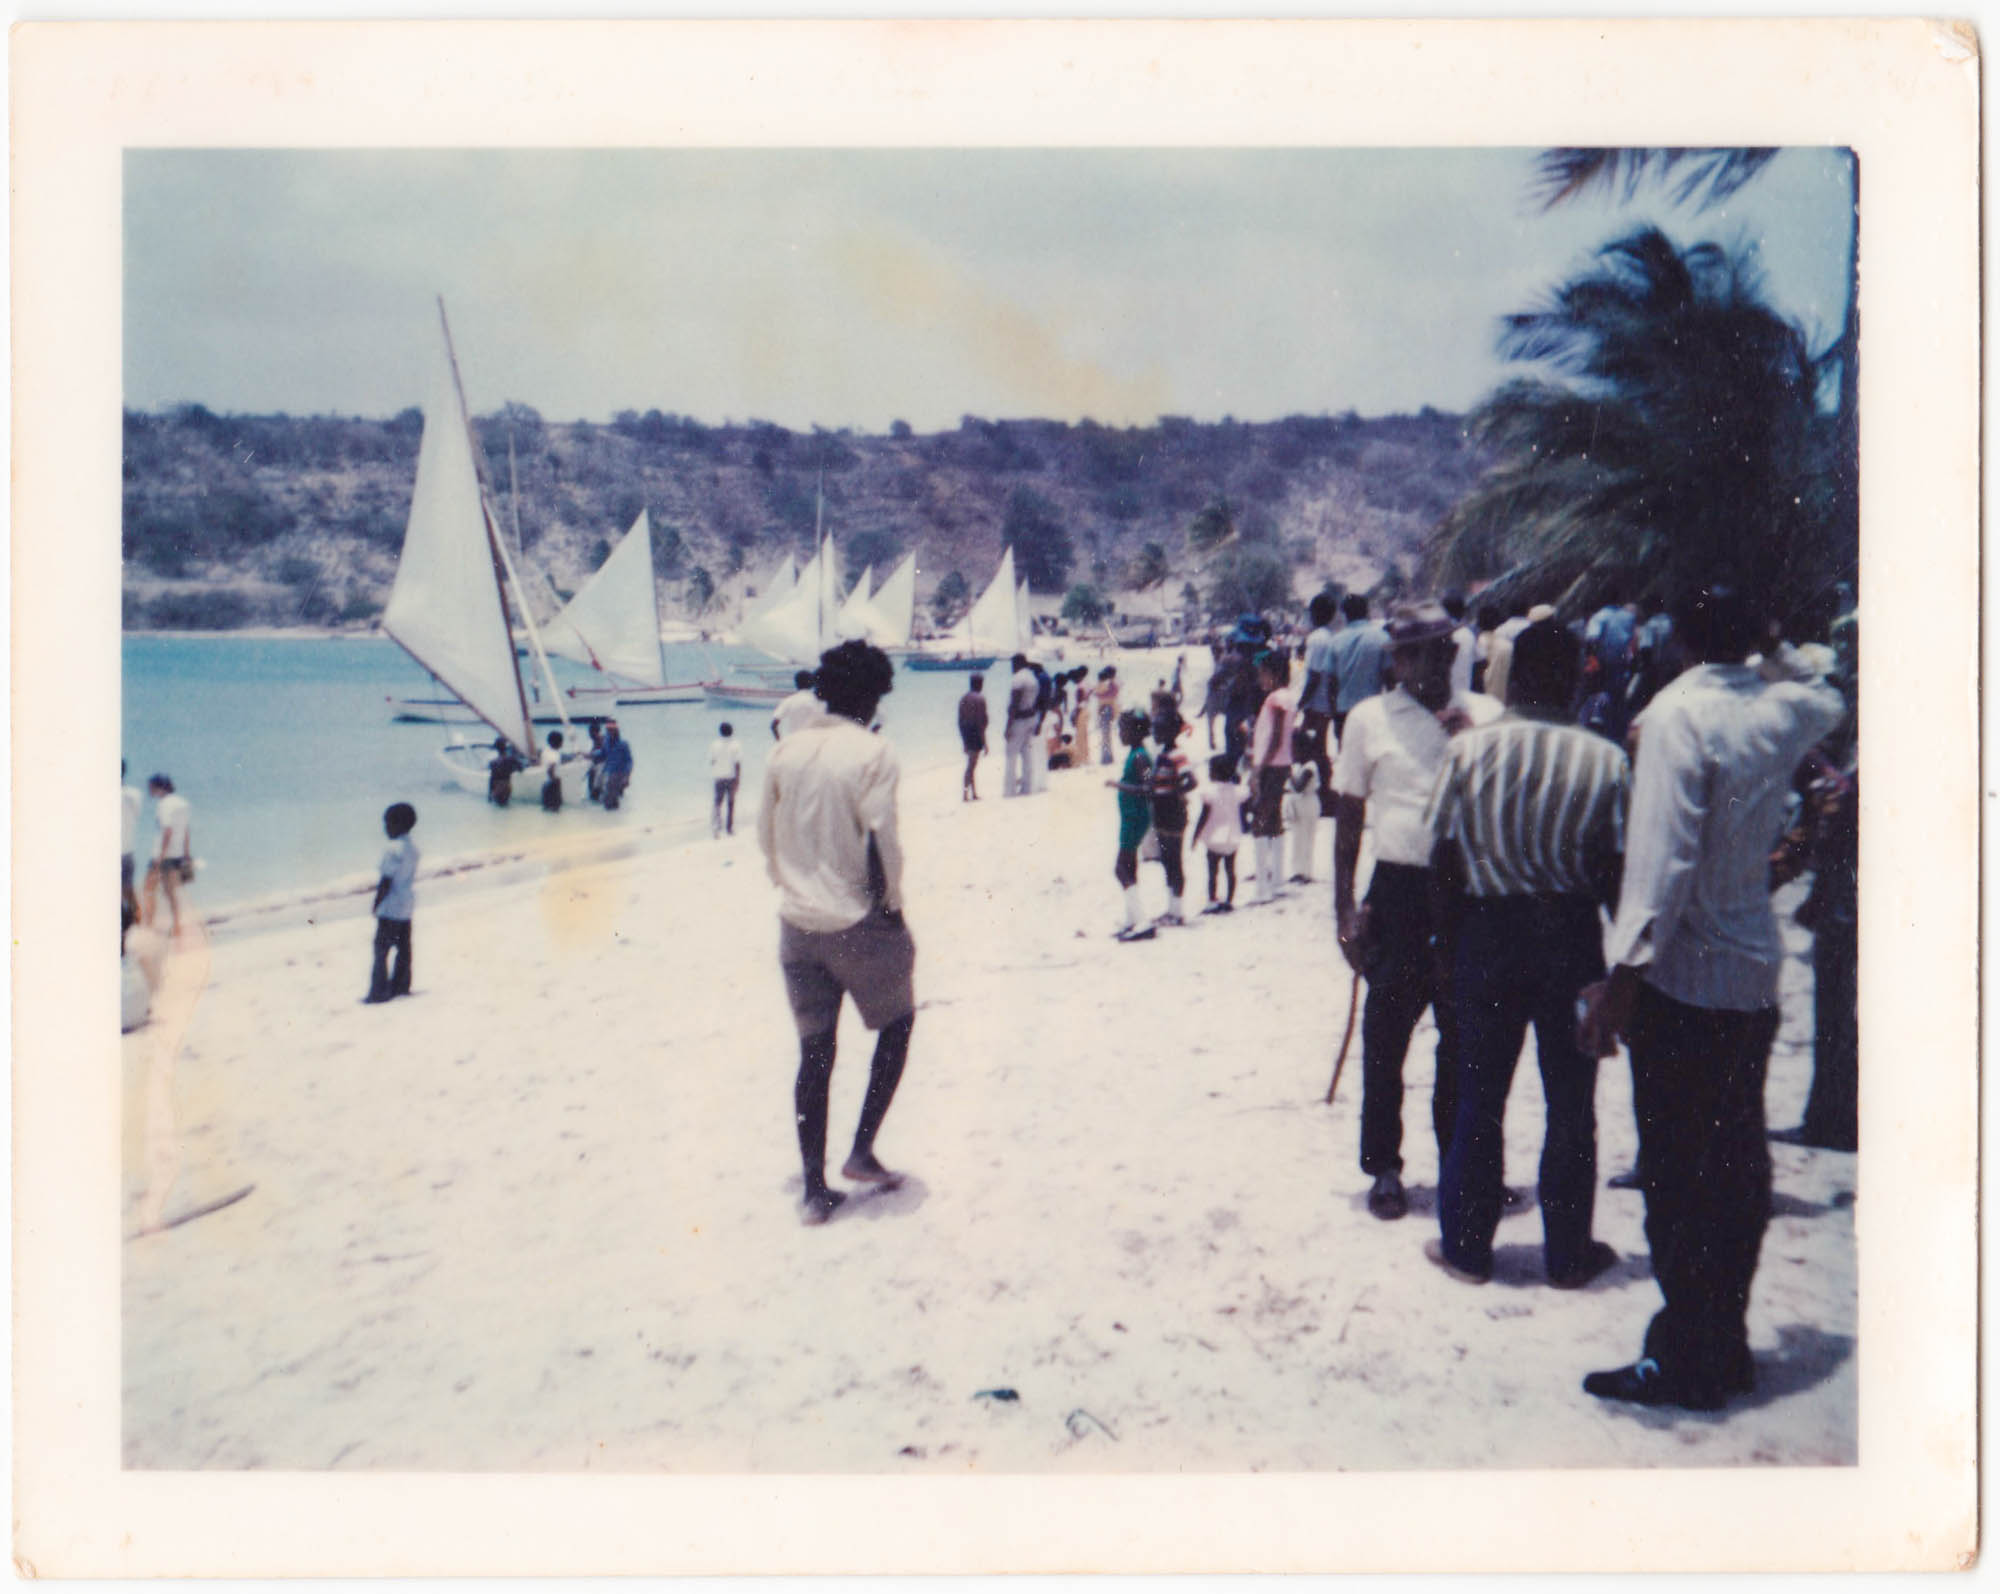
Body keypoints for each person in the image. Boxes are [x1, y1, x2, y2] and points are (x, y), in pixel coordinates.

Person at [1577, 585, 1846, 1411]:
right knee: (1734, 1172)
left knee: (1677, 1177)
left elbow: (1660, 862)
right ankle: (1720, 1342)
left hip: (1682, 978)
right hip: (1752, 969)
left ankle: (1687, 1354)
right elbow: (1827, 691)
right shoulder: (1778, 710)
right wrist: (1774, 647)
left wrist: (1619, 981)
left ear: (1678, 639)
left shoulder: (1673, 718)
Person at [1422, 620, 1629, 1289]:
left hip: (1488, 932)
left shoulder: (1467, 753)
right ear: (1574, 676)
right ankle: (1568, 1256)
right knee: (1571, 1101)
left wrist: (1446, 949)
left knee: (1480, 1094)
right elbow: (1612, 870)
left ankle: (1468, 1249)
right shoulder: (1605, 760)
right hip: (1569, 934)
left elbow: (1445, 861)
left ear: (1511, 677)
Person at [1332, 603, 1502, 1221]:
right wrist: (1345, 908)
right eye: (1420, 651)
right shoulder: (1368, 719)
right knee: (1386, 1041)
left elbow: (1504, 801)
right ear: (1397, 660)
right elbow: (1350, 816)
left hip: (1469, 894)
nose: (1436, 660)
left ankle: (1461, 1168)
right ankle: (1385, 1168)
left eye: (1444, 648)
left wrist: (1467, 744)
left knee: (1464, 1040)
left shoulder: (1486, 716)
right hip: (1398, 894)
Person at [758, 639, 917, 1228]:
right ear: (875, 695)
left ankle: (813, 1192)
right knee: (897, 1026)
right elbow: (882, 842)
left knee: (814, 1056)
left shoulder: (785, 752)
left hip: (796, 926)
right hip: (857, 922)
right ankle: (861, 1149)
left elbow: (765, 840)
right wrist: (890, 908)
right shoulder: (876, 752)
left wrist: (794, 887)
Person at [1246, 649, 1299, 902]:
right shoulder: (1288, 697)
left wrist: (1259, 767)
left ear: (1275, 675)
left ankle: (1262, 889)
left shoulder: (1275, 699)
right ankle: (1277, 881)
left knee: (1260, 820)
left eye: (1263, 675)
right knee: (1275, 819)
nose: (1260, 680)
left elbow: (1276, 737)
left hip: (1271, 765)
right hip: (1282, 763)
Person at [1105, 709, 1155, 942]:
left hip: (1135, 817)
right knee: (1129, 866)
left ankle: (1142, 920)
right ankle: (1132, 918)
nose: (1119, 733)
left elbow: (1148, 787)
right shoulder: (1135, 754)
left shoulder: (1139, 757)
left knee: (1121, 868)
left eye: (1122, 729)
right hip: (1131, 816)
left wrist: (1120, 786)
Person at [363, 802, 419, 1005]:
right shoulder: (413, 849)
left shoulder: (392, 849)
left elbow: (386, 880)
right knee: (404, 947)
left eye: (387, 823)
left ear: (396, 824)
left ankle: (378, 991)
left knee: (381, 949)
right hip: (407, 904)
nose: (385, 828)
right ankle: (401, 985)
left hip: (391, 906)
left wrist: (376, 902)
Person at [1146, 710, 1196, 926]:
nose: (1154, 733)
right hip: (1163, 811)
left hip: (1172, 811)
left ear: (1170, 732)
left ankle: (1177, 911)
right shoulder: (1163, 753)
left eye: (1158, 729)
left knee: (1174, 860)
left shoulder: (1177, 754)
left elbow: (1191, 781)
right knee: (1167, 860)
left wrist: (1175, 793)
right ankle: (1172, 908)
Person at [1296, 593, 1341, 811]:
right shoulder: (1330, 637)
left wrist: (1300, 704)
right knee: (1319, 748)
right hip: (1326, 703)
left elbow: (1314, 676)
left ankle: (1324, 794)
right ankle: (1325, 792)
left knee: (1312, 748)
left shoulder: (1315, 639)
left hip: (1315, 704)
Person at [1327, 594, 1390, 740]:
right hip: (1374, 710)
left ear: (1344, 614)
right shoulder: (1382, 637)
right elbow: (1390, 678)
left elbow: (1331, 683)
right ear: (1366, 611)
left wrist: (1333, 714)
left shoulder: (1335, 641)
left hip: (1344, 712)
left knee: (1347, 757)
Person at [141, 774, 194, 937]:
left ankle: (149, 927)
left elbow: (167, 831)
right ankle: (177, 926)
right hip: (178, 854)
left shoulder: (164, 805)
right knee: (171, 893)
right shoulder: (183, 803)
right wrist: (186, 854)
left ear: (159, 787)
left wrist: (160, 857)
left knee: (148, 890)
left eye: (150, 787)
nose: (149, 790)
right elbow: (185, 830)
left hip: (163, 856)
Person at [1192, 753, 1245, 913]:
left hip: (1214, 837)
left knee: (1212, 870)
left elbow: (1204, 816)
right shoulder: (1237, 791)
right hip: (1232, 835)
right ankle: (1229, 900)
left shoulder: (1210, 792)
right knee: (1230, 870)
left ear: (1215, 772)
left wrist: (1195, 836)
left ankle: (1212, 899)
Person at [1282, 732, 1321, 884]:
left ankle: (1306, 872)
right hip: (1301, 803)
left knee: (1306, 838)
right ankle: (1298, 870)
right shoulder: (1300, 765)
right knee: (1298, 838)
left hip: (1308, 802)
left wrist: (1288, 774)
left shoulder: (1310, 766)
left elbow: (1299, 786)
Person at [1004, 654, 1039, 797]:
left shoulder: (1018, 679)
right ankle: (1027, 788)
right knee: (1026, 754)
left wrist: (1008, 725)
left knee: (1011, 755)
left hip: (1019, 719)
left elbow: (1014, 703)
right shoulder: (1032, 678)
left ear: (1017, 664)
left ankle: (1010, 790)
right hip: (1031, 718)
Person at [121, 761, 143, 949]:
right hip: (128, 850)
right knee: (129, 892)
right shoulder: (134, 794)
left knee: (120, 894)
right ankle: (137, 928)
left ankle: (125, 934)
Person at [958, 673, 990, 801]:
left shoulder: (964, 698)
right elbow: (981, 722)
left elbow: (959, 721)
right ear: (980, 684)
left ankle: (972, 793)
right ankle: (966, 794)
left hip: (966, 731)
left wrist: (963, 740)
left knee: (972, 764)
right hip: (975, 733)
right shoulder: (980, 699)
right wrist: (985, 743)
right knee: (971, 765)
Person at [1440, 591, 1477, 698]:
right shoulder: (1468, 634)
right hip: (1464, 695)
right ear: (1463, 611)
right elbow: (1481, 660)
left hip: (1441, 698)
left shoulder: (1438, 635)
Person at [708, 722, 743, 837]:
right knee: (731, 803)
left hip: (718, 776)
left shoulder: (714, 744)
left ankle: (716, 828)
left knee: (717, 802)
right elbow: (737, 763)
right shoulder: (736, 744)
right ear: (732, 731)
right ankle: (729, 828)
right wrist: (738, 779)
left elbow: (712, 761)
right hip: (731, 776)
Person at [772, 670, 822, 740]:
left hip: (794, 742)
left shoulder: (789, 700)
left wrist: (780, 742)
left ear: (796, 684)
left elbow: (774, 725)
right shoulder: (818, 701)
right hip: (813, 742)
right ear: (812, 684)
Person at [597, 720, 633, 810]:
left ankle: (614, 819)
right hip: (607, 773)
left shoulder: (623, 744)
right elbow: (602, 754)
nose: (610, 732)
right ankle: (614, 820)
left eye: (612, 730)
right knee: (607, 801)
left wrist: (627, 777)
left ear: (617, 730)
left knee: (610, 800)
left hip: (618, 774)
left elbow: (629, 761)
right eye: (608, 730)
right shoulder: (606, 743)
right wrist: (588, 755)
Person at [1095, 666, 1121, 765]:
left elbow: (1102, 695)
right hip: (1109, 709)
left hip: (1106, 709)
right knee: (1106, 734)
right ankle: (1107, 757)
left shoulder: (1111, 684)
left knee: (1105, 734)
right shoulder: (1112, 684)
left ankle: (1106, 758)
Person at [487, 738, 524, 807]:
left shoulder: (493, 762)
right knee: (505, 807)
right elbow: (521, 769)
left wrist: (489, 794)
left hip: (497, 787)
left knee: (498, 809)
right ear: (506, 747)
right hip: (506, 785)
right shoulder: (511, 759)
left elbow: (491, 779)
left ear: (496, 749)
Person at [539, 730, 567, 811]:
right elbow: (550, 769)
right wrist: (555, 779)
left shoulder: (546, 751)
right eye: (561, 741)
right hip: (551, 785)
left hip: (545, 785)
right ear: (557, 742)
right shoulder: (554, 754)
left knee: (547, 810)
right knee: (555, 810)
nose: (562, 744)